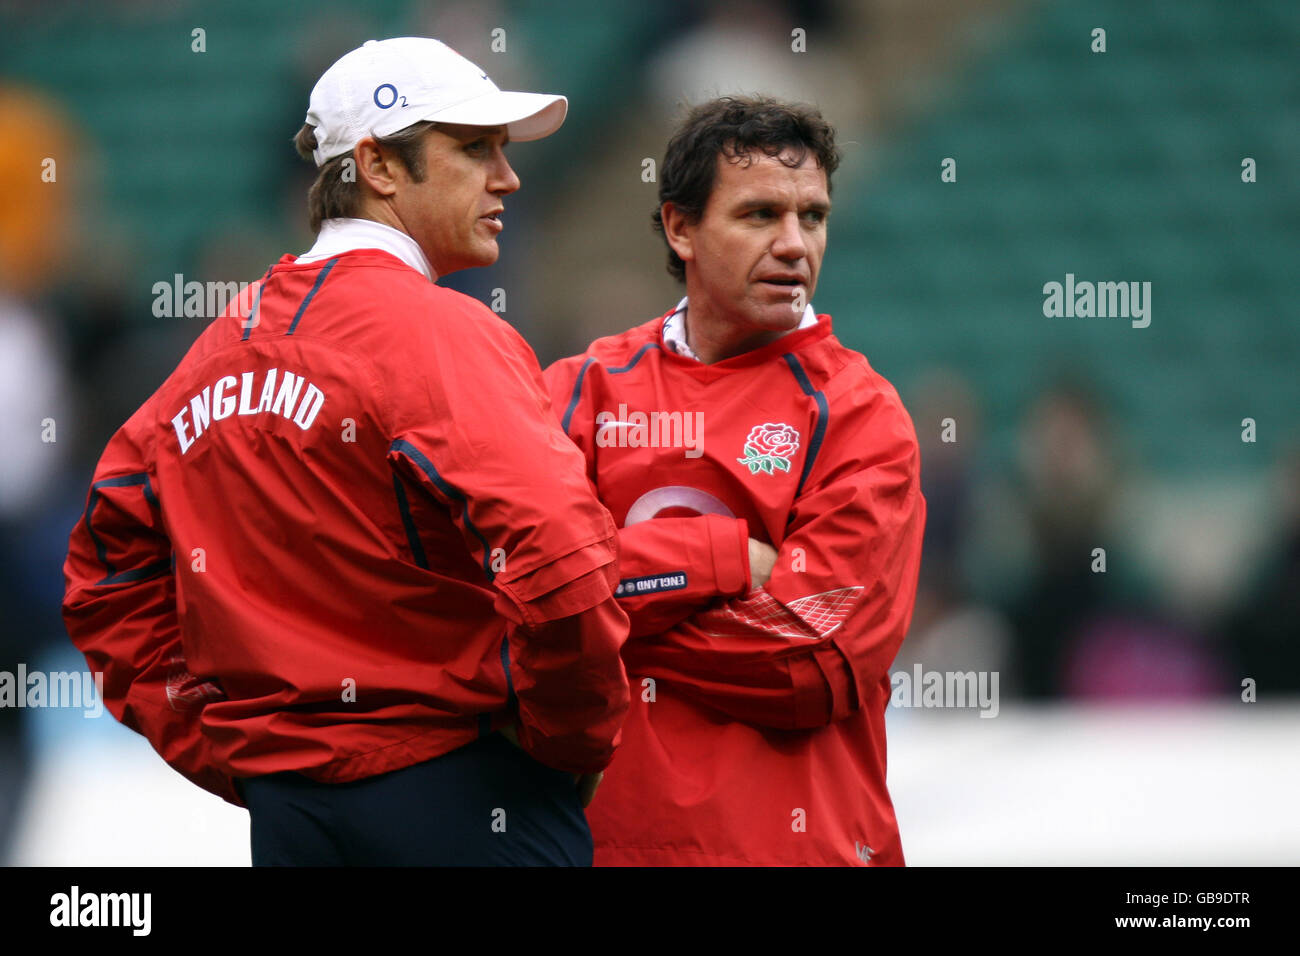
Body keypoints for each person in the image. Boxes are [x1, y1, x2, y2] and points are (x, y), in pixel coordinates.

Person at [63, 37, 630, 866]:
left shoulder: (220, 345)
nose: (507, 177)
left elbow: (105, 578)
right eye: (475, 149)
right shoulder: (446, 333)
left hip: (293, 818)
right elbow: (565, 560)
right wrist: (568, 737)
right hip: (466, 793)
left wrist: (232, 745)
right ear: (379, 167)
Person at [544, 96, 926, 865]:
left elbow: (811, 663)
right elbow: (516, 601)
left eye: (812, 217)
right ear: (680, 228)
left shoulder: (862, 418)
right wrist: (720, 561)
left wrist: (603, 621)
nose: (794, 245)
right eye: (758, 215)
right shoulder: (581, 392)